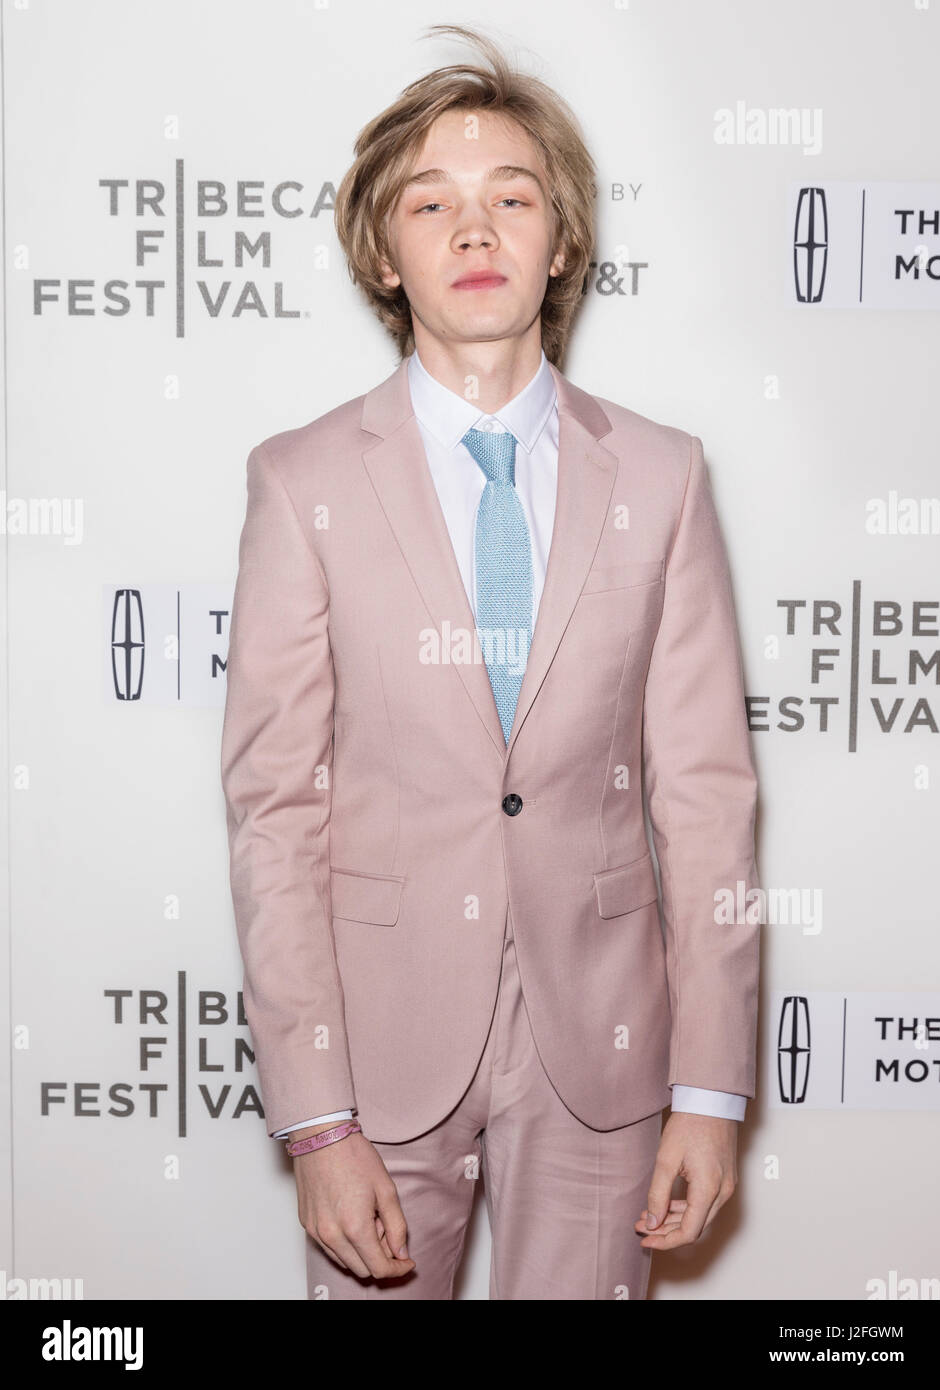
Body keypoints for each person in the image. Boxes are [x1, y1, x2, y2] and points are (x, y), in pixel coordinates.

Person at [219, 24, 762, 1301]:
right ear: (384, 253)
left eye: (510, 198)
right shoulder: (299, 485)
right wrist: (313, 1117)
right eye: (432, 204)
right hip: (376, 1059)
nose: (474, 232)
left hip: (604, 1056)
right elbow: (273, 812)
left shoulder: (666, 476)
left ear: (560, 241)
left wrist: (706, 1084)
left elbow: (705, 797)